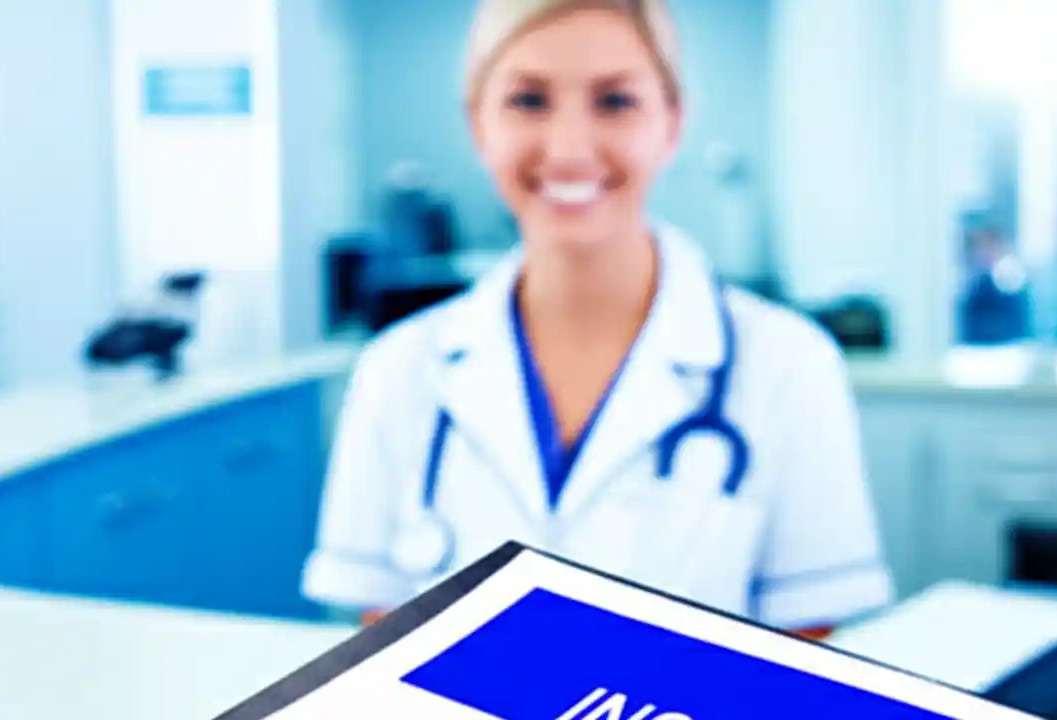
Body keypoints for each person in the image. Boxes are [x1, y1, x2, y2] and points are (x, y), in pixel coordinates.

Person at [302, 0, 892, 634]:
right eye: (528, 101)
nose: (569, 147)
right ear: (478, 125)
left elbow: (806, 644)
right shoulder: (398, 370)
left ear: (672, 122)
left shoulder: (788, 365)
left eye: (615, 102)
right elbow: (383, 628)